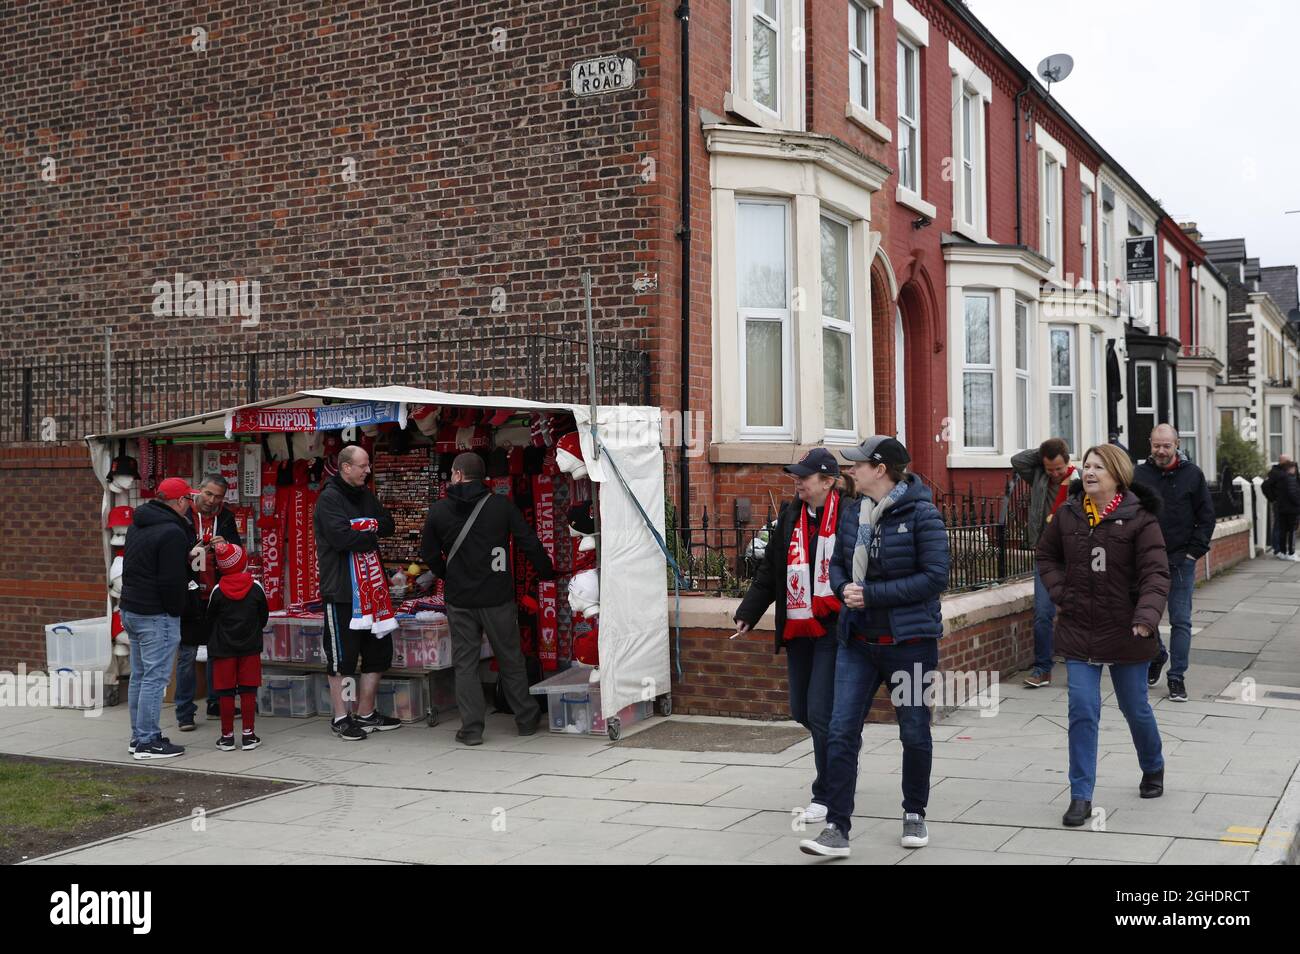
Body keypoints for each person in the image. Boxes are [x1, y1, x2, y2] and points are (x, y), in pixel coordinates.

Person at [799, 436, 949, 859]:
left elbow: (935, 577)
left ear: (880, 469)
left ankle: (914, 812)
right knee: (842, 731)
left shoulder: (923, 515)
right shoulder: (853, 513)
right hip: (858, 642)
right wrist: (845, 586)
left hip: (910, 646)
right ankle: (836, 828)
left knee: (914, 731)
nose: (851, 470)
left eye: (859, 464)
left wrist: (873, 595)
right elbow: (837, 565)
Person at [1036, 444, 1169, 827]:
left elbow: (1156, 574)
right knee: (1082, 709)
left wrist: (1146, 617)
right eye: (1087, 466)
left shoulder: (1141, 518)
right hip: (1080, 628)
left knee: (1135, 708)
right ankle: (1081, 795)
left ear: (1117, 474)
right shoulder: (1067, 514)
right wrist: (1062, 593)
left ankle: (1153, 765)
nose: (1089, 472)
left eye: (1098, 467)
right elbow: (1046, 557)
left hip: (1127, 629)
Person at [733, 448, 849, 825]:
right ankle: (842, 755)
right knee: (802, 710)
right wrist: (749, 612)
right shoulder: (789, 517)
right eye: (796, 475)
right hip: (799, 626)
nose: (797, 481)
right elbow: (770, 570)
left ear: (828, 481)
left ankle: (826, 794)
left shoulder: (849, 516)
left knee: (819, 712)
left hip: (835, 629)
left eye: (805, 476)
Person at [420, 452, 554, 745]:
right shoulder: (500, 507)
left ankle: (471, 729)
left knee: (465, 663)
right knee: (511, 658)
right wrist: (547, 572)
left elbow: (428, 553)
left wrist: (447, 574)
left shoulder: (439, 510)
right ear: (483, 478)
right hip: (497, 597)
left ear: (457, 475)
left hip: (460, 599)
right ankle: (526, 719)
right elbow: (528, 541)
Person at [314, 444, 402, 741]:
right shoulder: (329, 498)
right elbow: (341, 538)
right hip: (341, 591)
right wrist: (368, 533)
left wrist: (365, 527)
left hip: (373, 592)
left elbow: (388, 525)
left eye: (368, 465)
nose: (368, 470)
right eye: (363, 465)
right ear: (345, 467)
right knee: (342, 658)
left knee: (378, 653)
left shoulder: (365, 495)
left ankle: (365, 714)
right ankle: (341, 717)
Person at [1133, 424, 1215, 702]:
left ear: (1177, 444)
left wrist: (1194, 552)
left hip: (1182, 559)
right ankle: (1157, 655)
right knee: (1145, 617)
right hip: (1146, 560)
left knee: (1181, 621)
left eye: (1167, 445)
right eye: (1157, 445)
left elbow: (1206, 516)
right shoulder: (1139, 475)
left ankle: (1176, 676)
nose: (1161, 450)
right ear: (1150, 444)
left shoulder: (1193, 475)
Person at [119, 477, 197, 761]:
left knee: (140, 676)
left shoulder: (138, 525)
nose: (190, 505)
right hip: (156, 615)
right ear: (179, 502)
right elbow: (171, 580)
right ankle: (148, 741)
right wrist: (179, 608)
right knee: (155, 678)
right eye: (188, 500)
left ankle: (139, 736)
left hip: (132, 609)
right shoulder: (172, 532)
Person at [175, 474, 243, 730]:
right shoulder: (183, 516)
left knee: (218, 652)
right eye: (209, 494)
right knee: (187, 655)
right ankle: (184, 712)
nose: (212, 500)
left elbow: (237, 552)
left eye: (218, 496)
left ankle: (216, 703)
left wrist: (226, 545)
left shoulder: (224, 517)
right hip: (190, 593)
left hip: (217, 592)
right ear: (198, 491)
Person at [1010, 438, 1075, 688]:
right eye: (1051, 469)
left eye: (1059, 468)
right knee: (1042, 613)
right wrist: (1044, 455)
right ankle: (1042, 669)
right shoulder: (1038, 476)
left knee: (1074, 612)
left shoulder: (1079, 481)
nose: (1056, 474)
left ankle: (1078, 666)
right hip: (1046, 555)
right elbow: (1017, 460)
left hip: (1073, 555)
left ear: (1067, 462)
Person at [205, 542, 268, 751]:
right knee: (248, 689)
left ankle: (227, 736)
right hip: (250, 646)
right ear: (243, 563)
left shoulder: (217, 590)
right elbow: (263, 616)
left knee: (225, 691)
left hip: (223, 648)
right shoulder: (256, 587)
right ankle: (249, 735)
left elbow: (210, 618)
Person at [1262, 454, 1293, 557]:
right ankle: (1277, 549)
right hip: (1279, 504)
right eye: (1288, 462)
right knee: (1279, 526)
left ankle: (1286, 549)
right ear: (1282, 462)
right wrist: (1273, 499)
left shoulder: (1287, 472)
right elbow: (1265, 486)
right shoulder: (1275, 473)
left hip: (1288, 504)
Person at [1275, 461, 1300, 561]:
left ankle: (1282, 552)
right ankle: (1291, 553)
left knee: (1283, 531)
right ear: (1291, 469)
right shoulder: (1291, 479)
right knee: (1292, 531)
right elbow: (1293, 493)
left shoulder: (1280, 479)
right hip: (1292, 510)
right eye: (1294, 468)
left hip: (1282, 509)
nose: (1295, 470)